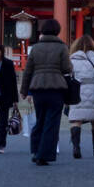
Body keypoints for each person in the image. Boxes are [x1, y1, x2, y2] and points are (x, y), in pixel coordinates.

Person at [19, 19, 73, 166]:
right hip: (56, 89)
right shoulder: (62, 48)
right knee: (52, 122)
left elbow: (28, 71)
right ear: (57, 31)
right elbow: (67, 69)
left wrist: (24, 90)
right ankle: (44, 155)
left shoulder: (35, 48)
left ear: (42, 31)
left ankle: (36, 151)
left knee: (40, 120)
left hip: (38, 89)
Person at [68, 35, 94, 159]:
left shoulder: (72, 60)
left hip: (77, 92)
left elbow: (68, 76)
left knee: (76, 120)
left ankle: (76, 147)